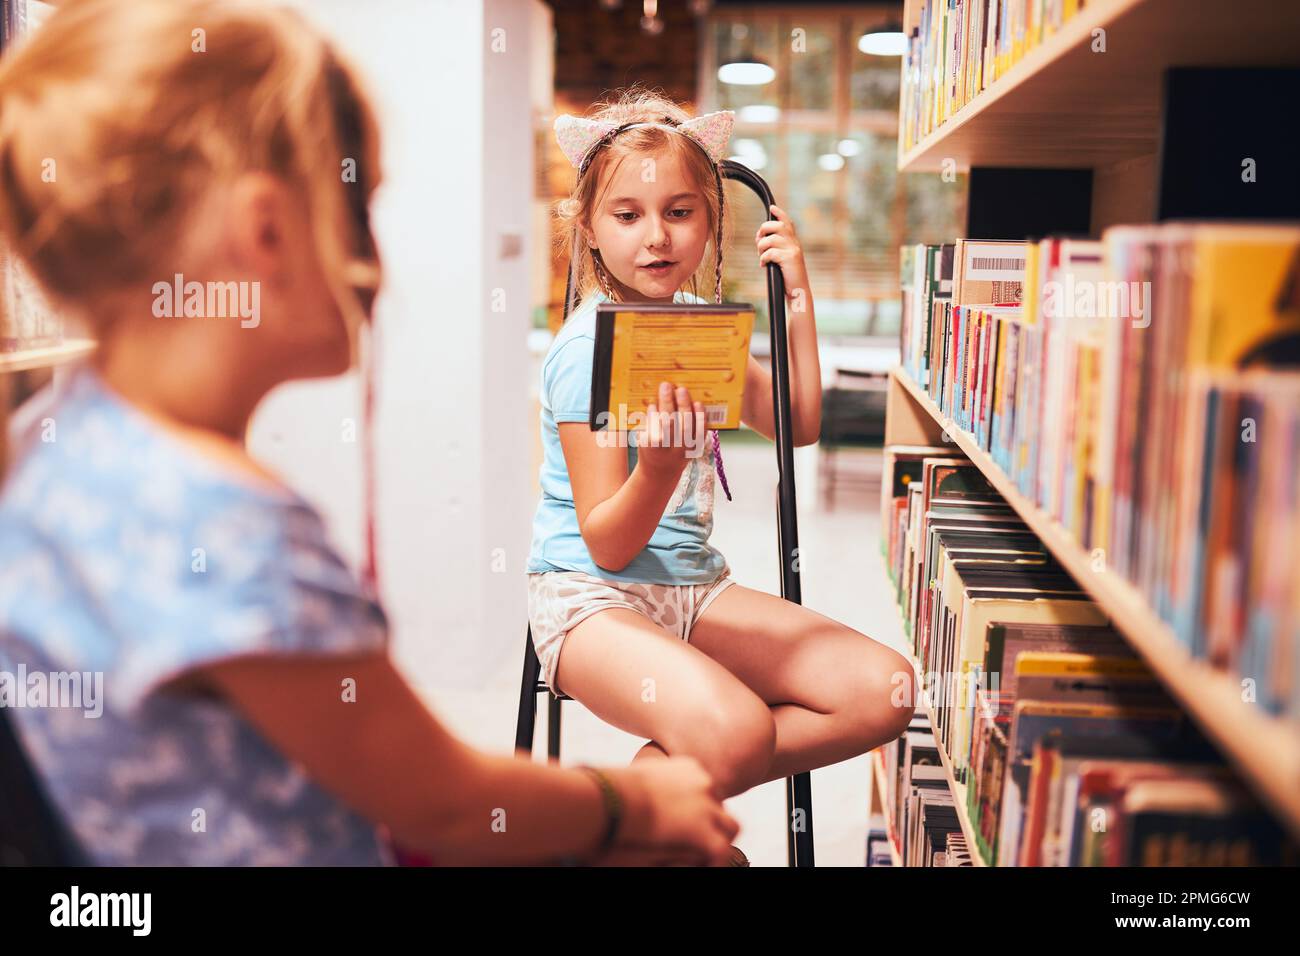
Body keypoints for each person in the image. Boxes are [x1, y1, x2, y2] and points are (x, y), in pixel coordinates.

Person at [0, 0, 737, 867]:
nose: (374, 253)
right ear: (269, 229)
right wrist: (632, 799)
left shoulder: (54, 439)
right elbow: (450, 808)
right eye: (361, 206)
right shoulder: (228, 530)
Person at [526, 90, 918, 847]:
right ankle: (647, 815)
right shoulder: (587, 348)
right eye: (627, 215)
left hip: (696, 589)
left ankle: (643, 806)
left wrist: (796, 292)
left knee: (886, 691)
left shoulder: (699, 327)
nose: (656, 238)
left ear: (711, 221)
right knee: (736, 733)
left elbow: (798, 422)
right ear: (590, 227)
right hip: (591, 598)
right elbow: (607, 544)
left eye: (680, 212)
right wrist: (660, 469)